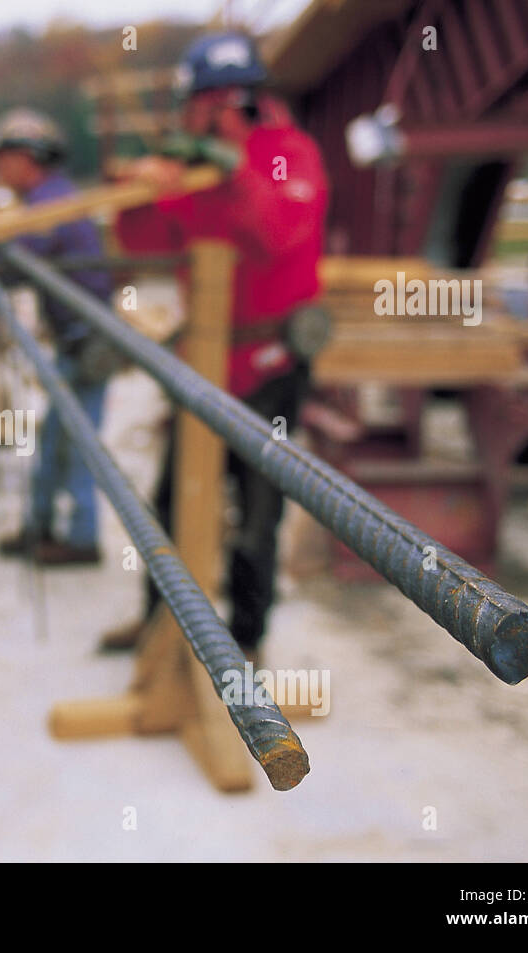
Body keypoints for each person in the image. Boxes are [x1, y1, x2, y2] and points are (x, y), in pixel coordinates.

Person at [101, 32, 330, 656]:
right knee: (175, 501)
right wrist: (136, 189)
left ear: (228, 104)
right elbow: (148, 243)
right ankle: (159, 628)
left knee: (256, 516)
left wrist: (232, 174)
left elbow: (276, 236)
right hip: (205, 361)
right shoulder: (196, 168)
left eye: (197, 106)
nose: (187, 118)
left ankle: (246, 643)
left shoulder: (289, 155)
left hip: (272, 362)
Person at [0, 109, 118, 566]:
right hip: (75, 339)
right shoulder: (46, 200)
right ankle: (40, 525)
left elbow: (16, 258)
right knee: (55, 438)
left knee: (79, 441)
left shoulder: (52, 204)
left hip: (88, 342)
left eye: (5, 159)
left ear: (29, 159)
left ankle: (82, 539)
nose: (0, 170)